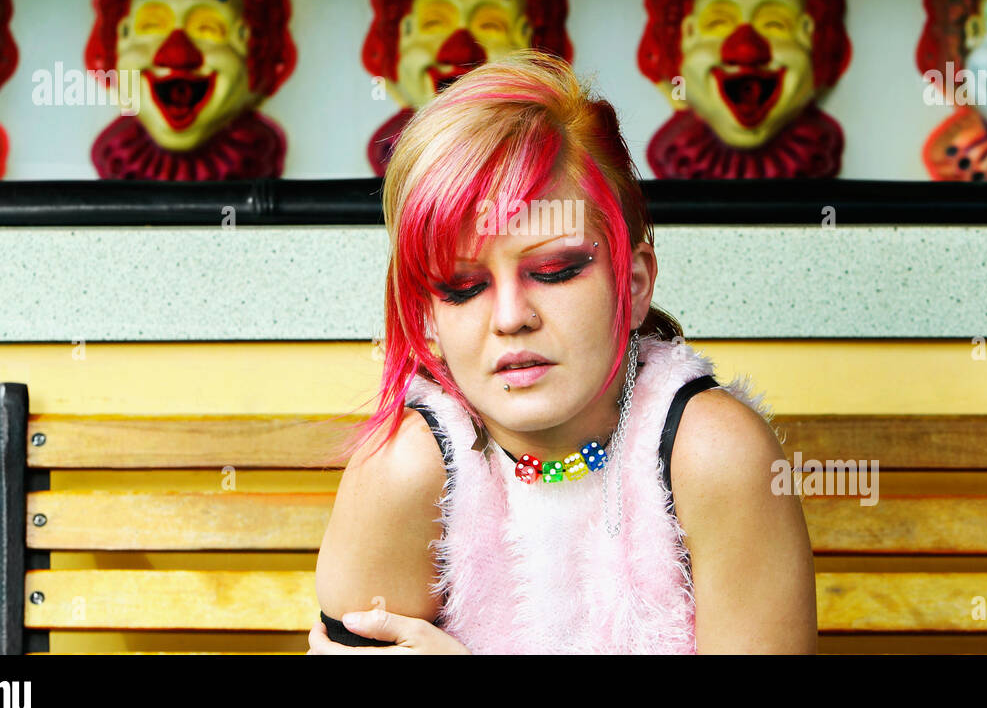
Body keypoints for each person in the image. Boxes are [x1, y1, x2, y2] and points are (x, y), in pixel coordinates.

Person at [310, 49, 816, 654]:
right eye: (462, 287)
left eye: (555, 270)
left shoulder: (712, 455)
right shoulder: (406, 469)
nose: (511, 318)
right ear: (425, 319)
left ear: (632, 282)